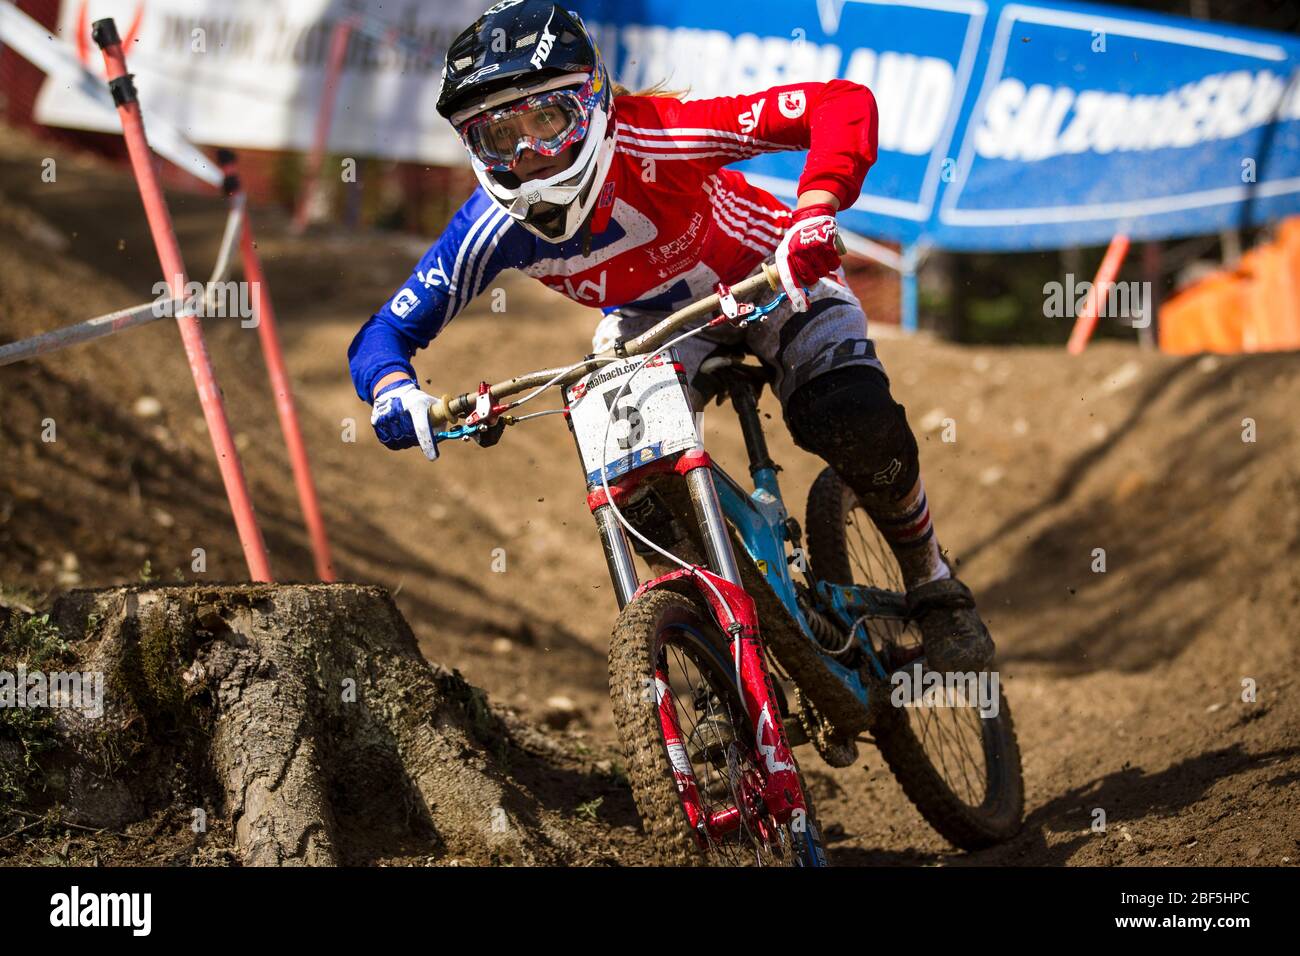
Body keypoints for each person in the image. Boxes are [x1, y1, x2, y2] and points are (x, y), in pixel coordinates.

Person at [347, 0, 993, 673]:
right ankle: (736, 626)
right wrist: (393, 390)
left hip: (772, 276)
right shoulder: (491, 226)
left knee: (848, 419)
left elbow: (839, 103)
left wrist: (815, 209)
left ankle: (933, 582)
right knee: (638, 497)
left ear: (593, 103)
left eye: (547, 120)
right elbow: (386, 330)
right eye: (497, 137)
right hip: (653, 329)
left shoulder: (660, 135)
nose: (529, 157)